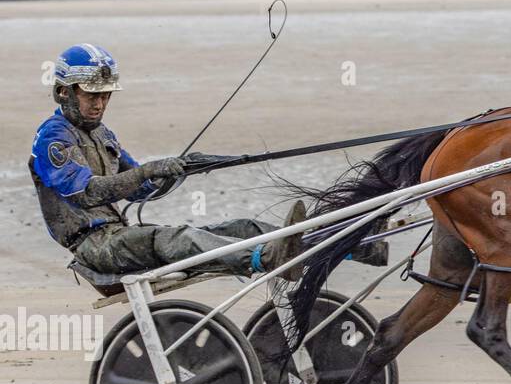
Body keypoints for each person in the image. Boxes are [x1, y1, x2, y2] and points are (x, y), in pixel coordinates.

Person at [30, 44, 306, 285]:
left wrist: (183, 168)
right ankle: (265, 257)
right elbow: (88, 193)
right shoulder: (53, 138)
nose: (100, 104)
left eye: (105, 96)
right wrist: (149, 169)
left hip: (121, 235)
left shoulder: (103, 134)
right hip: (96, 246)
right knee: (179, 239)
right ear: (63, 92)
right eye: (92, 96)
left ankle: (312, 246)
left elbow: (143, 190)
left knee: (243, 229)